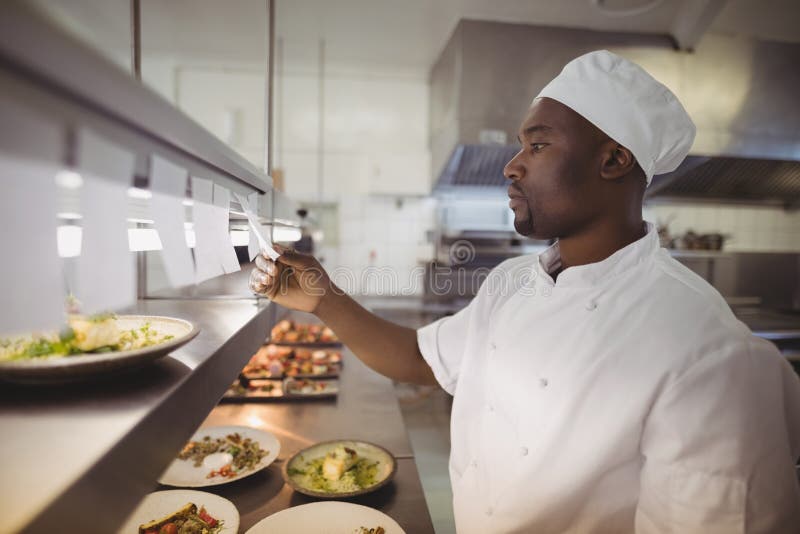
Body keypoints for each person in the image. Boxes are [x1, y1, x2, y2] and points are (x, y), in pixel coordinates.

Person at [249, 51, 800, 533]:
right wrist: (324, 298)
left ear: (613, 159)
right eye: (520, 146)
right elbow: (420, 358)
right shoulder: (513, 283)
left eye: (538, 145)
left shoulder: (709, 353)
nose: (512, 166)